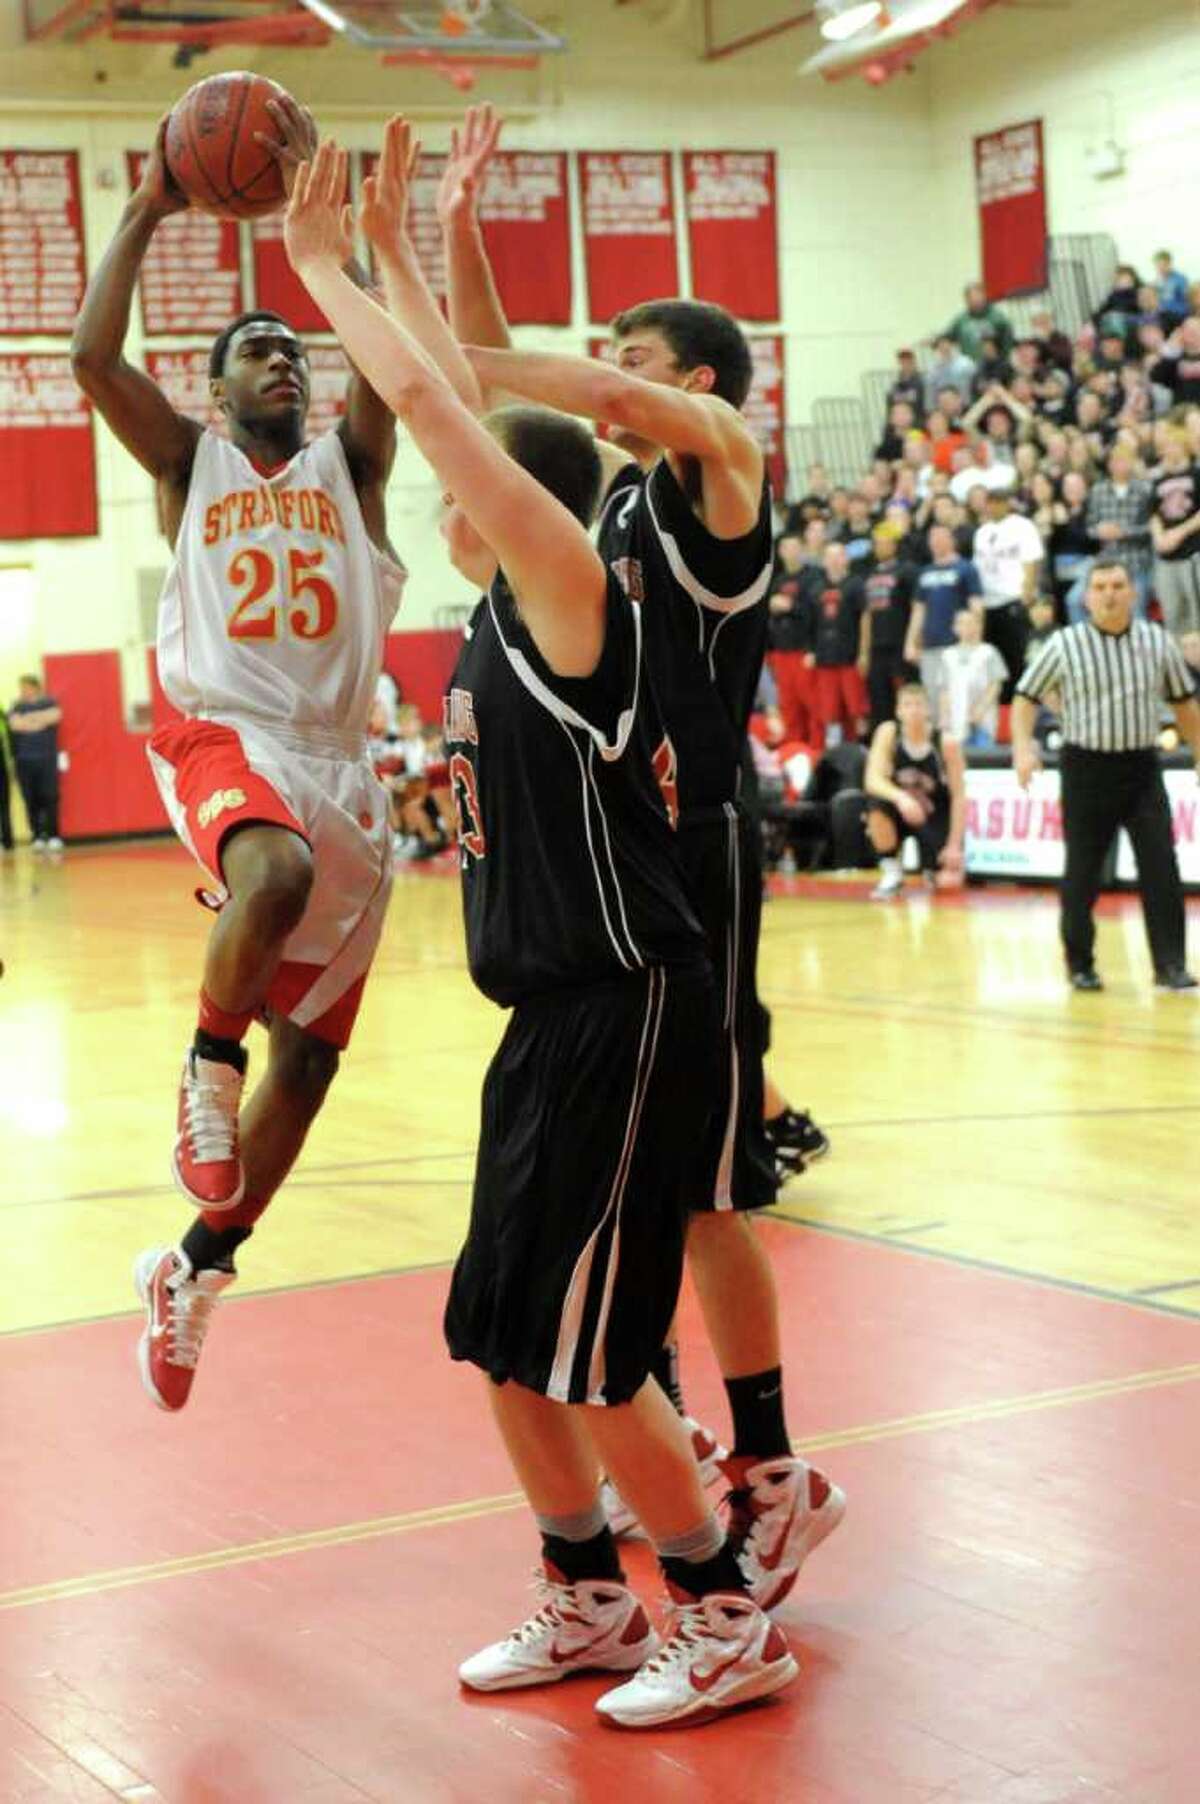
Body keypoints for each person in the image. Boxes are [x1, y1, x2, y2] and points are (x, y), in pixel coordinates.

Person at [286, 131, 802, 1729]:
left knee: (588, 1348)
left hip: (626, 1000)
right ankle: (586, 1587)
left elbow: (441, 401)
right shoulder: (496, 619)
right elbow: (458, 388)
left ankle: (720, 1613)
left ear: (511, 505)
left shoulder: (577, 592)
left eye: (470, 483)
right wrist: (408, 254)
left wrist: (324, 272)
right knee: (498, 1325)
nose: (447, 491)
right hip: (541, 1012)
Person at [439, 110, 843, 1599]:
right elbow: (496, 396)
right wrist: (459, 232)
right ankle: (660, 1422)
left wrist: (463, 356)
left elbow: (555, 385)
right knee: (650, 1182)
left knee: (710, 1179)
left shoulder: (721, 475)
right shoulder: (595, 505)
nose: (607, 366)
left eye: (634, 352)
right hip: (620, 849)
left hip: (695, 846)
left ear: (698, 383)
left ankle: (775, 1469)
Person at [71, 103, 405, 1410]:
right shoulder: (187, 463)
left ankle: (196, 1267)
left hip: (342, 765)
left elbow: (385, 362)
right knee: (269, 875)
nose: (285, 364)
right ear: (216, 391)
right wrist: (150, 202)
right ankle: (206, 1067)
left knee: (310, 1064)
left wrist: (340, 244)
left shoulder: (353, 466)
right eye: (256, 351)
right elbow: (91, 357)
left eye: (293, 351)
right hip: (224, 732)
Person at [1012, 555, 1200, 992]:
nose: (1109, 595)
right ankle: (1080, 964)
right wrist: (1022, 748)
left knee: (1161, 868)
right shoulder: (1064, 644)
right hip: (1086, 768)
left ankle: (1170, 965)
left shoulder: (1157, 641)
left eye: (1117, 586)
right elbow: (1024, 697)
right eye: (1100, 588)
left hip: (1141, 768)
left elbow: (1184, 704)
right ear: (1087, 597)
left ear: (1133, 592)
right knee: (1083, 871)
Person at [863, 682, 966, 900]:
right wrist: (902, 798)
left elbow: (959, 796)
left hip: (933, 814)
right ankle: (892, 872)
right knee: (876, 805)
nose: (914, 710)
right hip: (901, 812)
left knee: (948, 885)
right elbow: (872, 779)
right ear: (898, 711)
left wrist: (954, 845)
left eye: (919, 704)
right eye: (907, 705)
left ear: (928, 710)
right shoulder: (889, 733)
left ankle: (932, 866)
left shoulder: (946, 743)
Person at [904, 522, 983, 726]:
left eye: (941, 536)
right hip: (930, 645)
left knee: (959, 694)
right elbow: (918, 610)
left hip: (958, 644)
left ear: (952, 540)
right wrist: (911, 642)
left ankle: (962, 736)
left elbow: (976, 606)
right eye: (933, 538)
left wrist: (976, 639)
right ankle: (939, 738)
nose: (936, 541)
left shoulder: (966, 568)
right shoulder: (925, 572)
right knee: (932, 696)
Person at [972, 485, 1043, 699]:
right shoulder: (981, 532)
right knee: (996, 659)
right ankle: (1003, 705)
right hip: (989, 603)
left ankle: (1024, 701)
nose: (994, 506)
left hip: (1013, 599)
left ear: (1007, 504)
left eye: (998, 501)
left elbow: (1031, 559)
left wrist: (1027, 592)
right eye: (990, 502)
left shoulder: (1022, 526)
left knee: (1019, 657)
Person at [1086, 445, 1154, 612]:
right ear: (1109, 465)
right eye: (1116, 461)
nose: (1120, 465)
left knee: (1136, 611)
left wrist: (1124, 532)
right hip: (1107, 562)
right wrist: (1099, 531)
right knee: (1079, 601)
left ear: (1131, 463)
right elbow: (1090, 527)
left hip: (1137, 561)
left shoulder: (1144, 490)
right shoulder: (1097, 490)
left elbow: (1151, 527)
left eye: (1124, 461)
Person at [862, 521, 915, 734]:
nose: (880, 547)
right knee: (878, 695)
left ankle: (906, 735)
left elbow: (917, 608)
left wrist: (914, 642)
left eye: (884, 542)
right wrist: (863, 651)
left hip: (900, 644)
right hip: (876, 646)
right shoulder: (868, 573)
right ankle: (882, 738)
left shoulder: (907, 571)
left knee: (903, 694)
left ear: (894, 544)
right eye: (877, 543)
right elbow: (866, 614)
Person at [766, 531, 817, 745]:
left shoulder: (813, 577)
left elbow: (816, 613)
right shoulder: (777, 580)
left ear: (802, 549)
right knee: (788, 703)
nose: (792, 552)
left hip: (802, 650)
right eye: (787, 548)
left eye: (795, 547)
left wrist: (790, 606)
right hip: (781, 651)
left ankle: (815, 747)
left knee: (811, 701)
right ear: (780, 552)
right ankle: (793, 748)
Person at [7, 673, 63, 851]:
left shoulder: (49, 702)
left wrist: (28, 721)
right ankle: (37, 835)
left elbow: (54, 717)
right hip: (24, 760)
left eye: (26, 687)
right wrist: (39, 721)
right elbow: (15, 725)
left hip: (46, 758)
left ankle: (53, 835)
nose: (23, 691)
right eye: (21, 688)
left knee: (50, 796)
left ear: (35, 687)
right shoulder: (16, 706)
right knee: (30, 798)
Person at [941, 603, 1007, 746]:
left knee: (983, 754)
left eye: (971, 622)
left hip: (983, 720)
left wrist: (980, 709)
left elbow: (995, 685)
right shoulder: (947, 655)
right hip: (955, 720)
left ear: (979, 626)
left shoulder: (989, 652)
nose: (966, 627)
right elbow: (944, 689)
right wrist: (945, 716)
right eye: (962, 623)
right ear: (955, 628)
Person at [943, 282, 1014, 363]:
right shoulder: (961, 321)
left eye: (977, 296)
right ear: (966, 301)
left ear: (984, 296)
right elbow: (946, 337)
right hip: (969, 366)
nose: (975, 300)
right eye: (971, 297)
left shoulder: (998, 318)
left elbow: (1008, 344)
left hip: (994, 365)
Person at [0, 704, 15, 854]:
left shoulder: (2, 713)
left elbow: (11, 741)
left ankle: (7, 840)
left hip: (2, 767)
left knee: (4, 805)